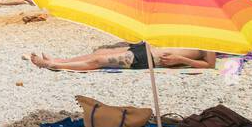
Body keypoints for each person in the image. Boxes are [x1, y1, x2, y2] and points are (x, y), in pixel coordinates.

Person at [28, 44, 217, 72]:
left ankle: (53, 65)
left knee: (98, 62)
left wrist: (183, 60)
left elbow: (209, 64)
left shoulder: (210, 41)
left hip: (151, 58)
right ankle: (60, 60)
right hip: (146, 47)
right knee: (99, 53)